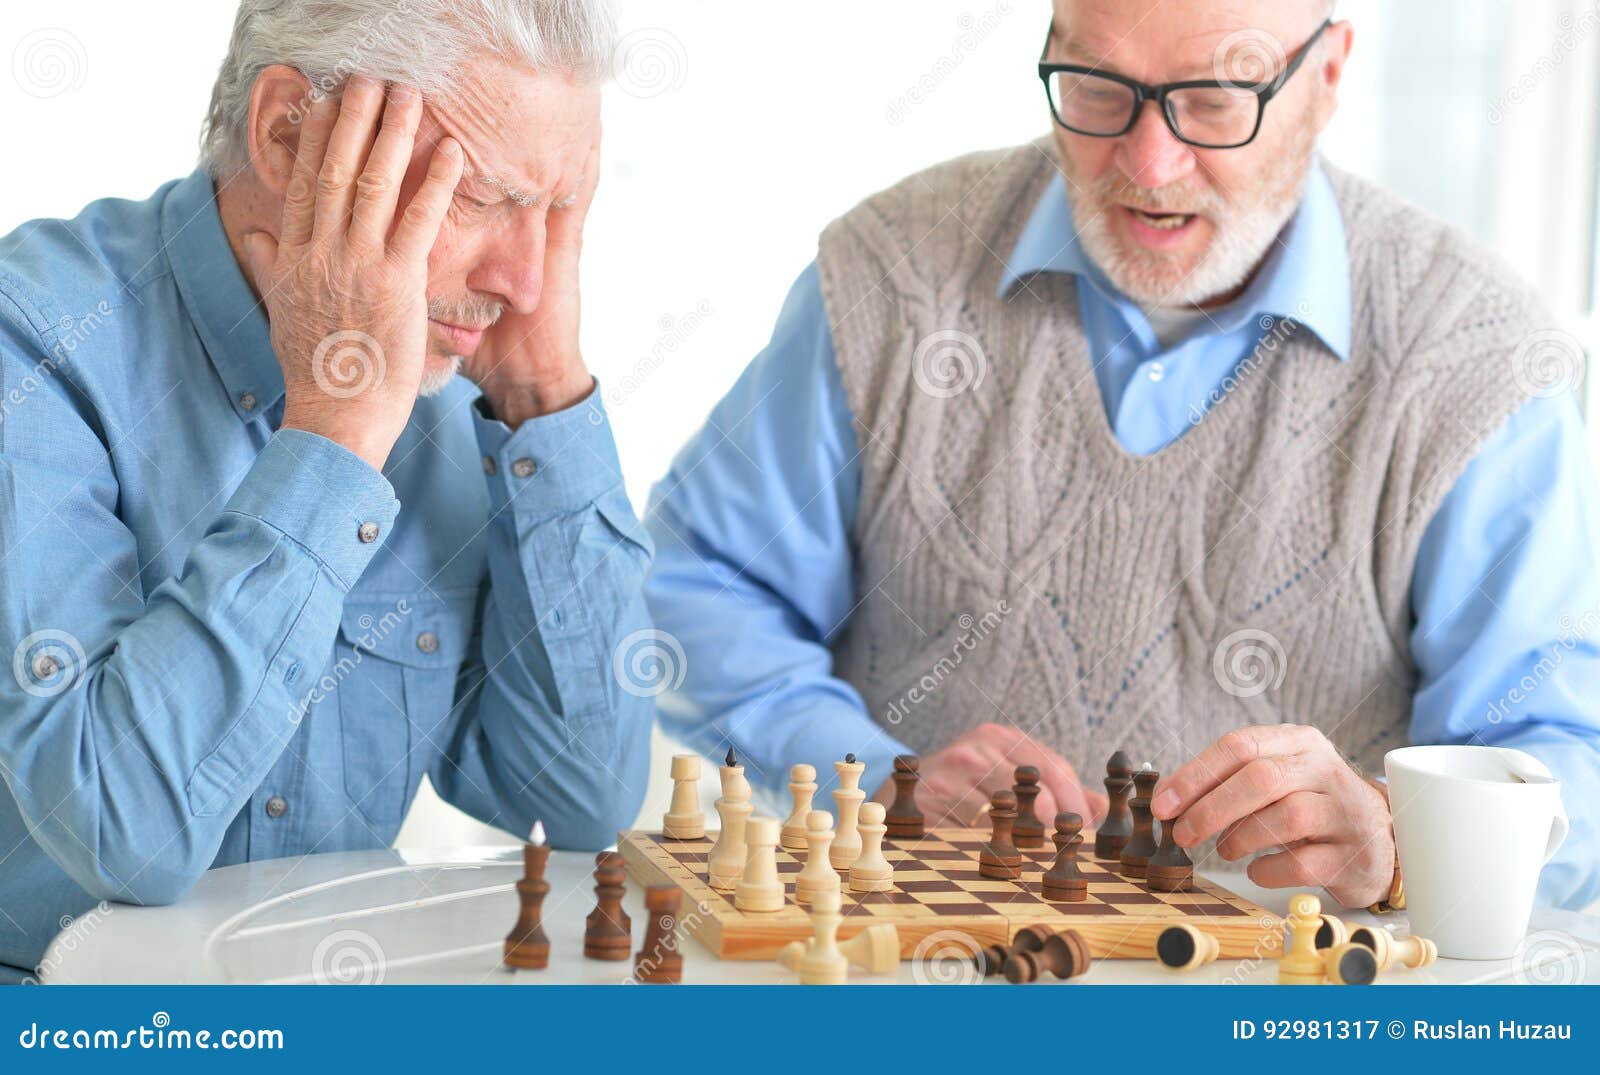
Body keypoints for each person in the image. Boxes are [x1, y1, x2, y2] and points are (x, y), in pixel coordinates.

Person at [644, 0, 1600, 911]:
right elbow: (692, 591)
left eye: (1217, 100)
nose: (1149, 161)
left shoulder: (1482, 362)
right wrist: (870, 780)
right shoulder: (888, 278)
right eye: (1098, 86)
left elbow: (1563, 762)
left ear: (1330, 74)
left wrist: (1400, 837)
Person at [0, 0, 650, 983]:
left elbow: (579, 794)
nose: (522, 280)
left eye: (557, 212)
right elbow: (120, 836)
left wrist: (542, 394)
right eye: (479, 198)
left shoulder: (459, 373)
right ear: (286, 133)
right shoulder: (34, 345)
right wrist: (338, 427)